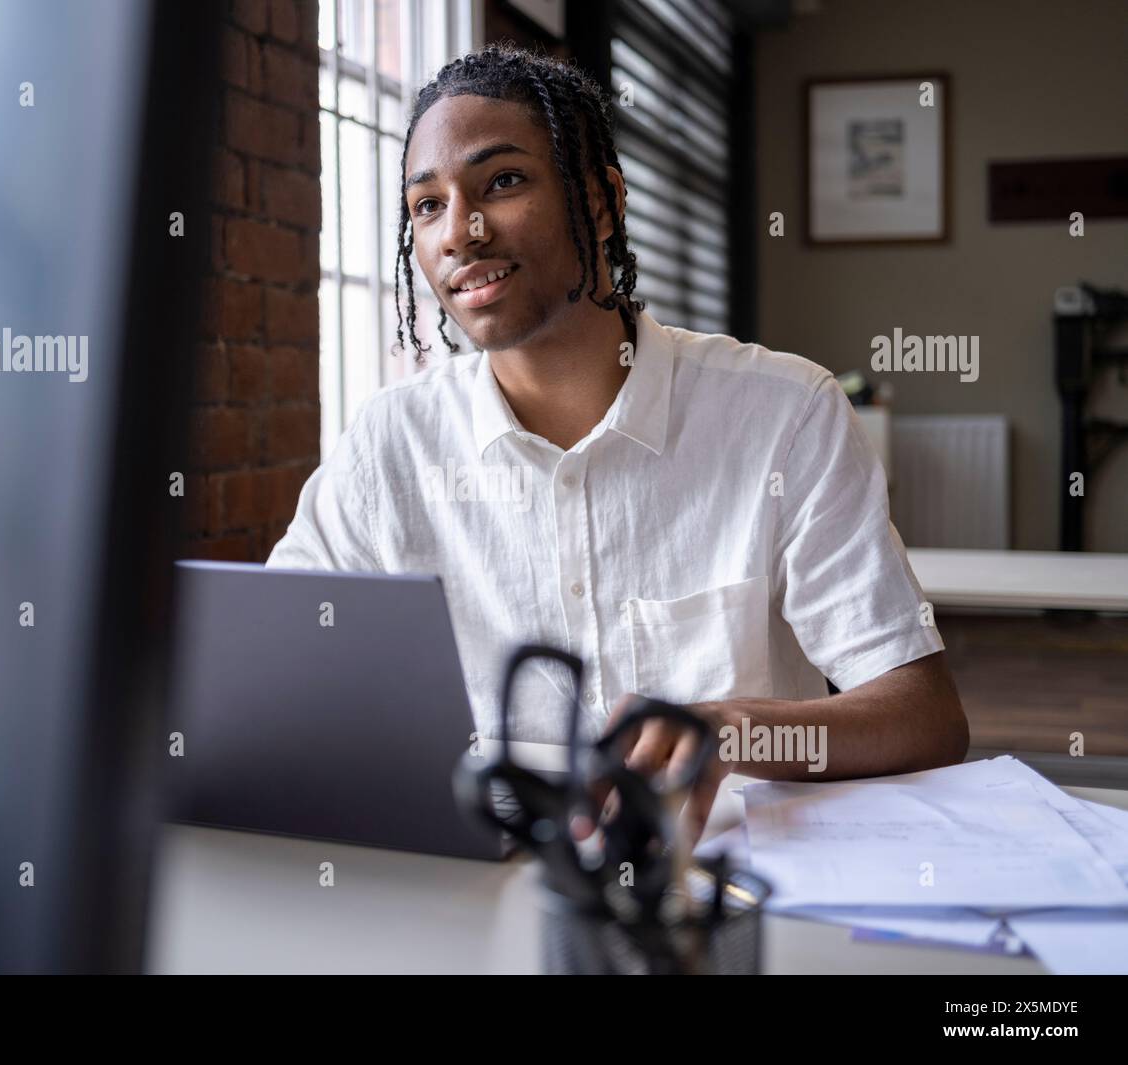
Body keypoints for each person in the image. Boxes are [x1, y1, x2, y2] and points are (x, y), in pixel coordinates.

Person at [267, 43, 969, 840]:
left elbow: (925, 716)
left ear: (601, 203)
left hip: (716, 894)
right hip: (468, 889)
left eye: (502, 182)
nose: (459, 232)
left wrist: (733, 730)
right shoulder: (388, 446)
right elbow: (275, 671)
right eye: (427, 205)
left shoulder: (784, 413)